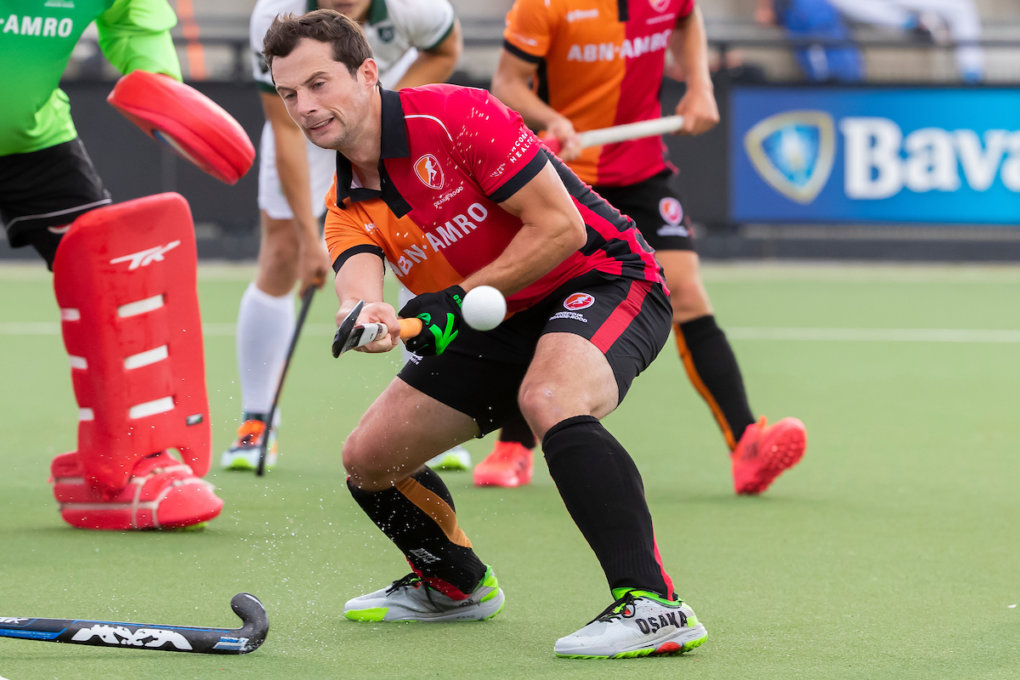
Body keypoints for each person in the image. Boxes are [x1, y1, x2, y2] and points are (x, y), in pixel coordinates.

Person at [264, 9, 710, 659]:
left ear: (367, 73)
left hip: (605, 278)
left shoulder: (456, 117)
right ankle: (453, 584)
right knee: (369, 459)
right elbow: (360, 289)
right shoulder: (346, 204)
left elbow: (563, 229)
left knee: (551, 398)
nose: (305, 107)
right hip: (495, 316)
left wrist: (463, 297)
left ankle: (654, 606)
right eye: (288, 95)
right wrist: (369, 321)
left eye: (319, 83)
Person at [488, 0, 807, 494]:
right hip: (566, 177)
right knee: (537, 297)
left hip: (641, 172)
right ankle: (512, 446)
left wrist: (699, 85)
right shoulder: (543, 6)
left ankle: (748, 445)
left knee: (686, 292)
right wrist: (551, 119)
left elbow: (685, 16)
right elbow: (506, 85)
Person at [0, 0, 224, 529]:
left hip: (32, 136)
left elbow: (132, 16)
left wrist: (160, 84)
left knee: (118, 289)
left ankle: (129, 466)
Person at [224, 0, 465, 471]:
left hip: (382, 119)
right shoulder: (273, 17)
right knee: (282, 256)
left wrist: (380, 110)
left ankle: (436, 416)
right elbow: (285, 125)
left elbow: (446, 49)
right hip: (305, 128)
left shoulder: (415, 7)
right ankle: (256, 424)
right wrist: (309, 240)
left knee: (419, 248)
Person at [754, 0, 864, 83]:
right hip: (840, 74)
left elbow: (820, 44)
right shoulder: (797, 9)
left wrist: (823, 80)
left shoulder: (805, 8)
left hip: (835, 78)